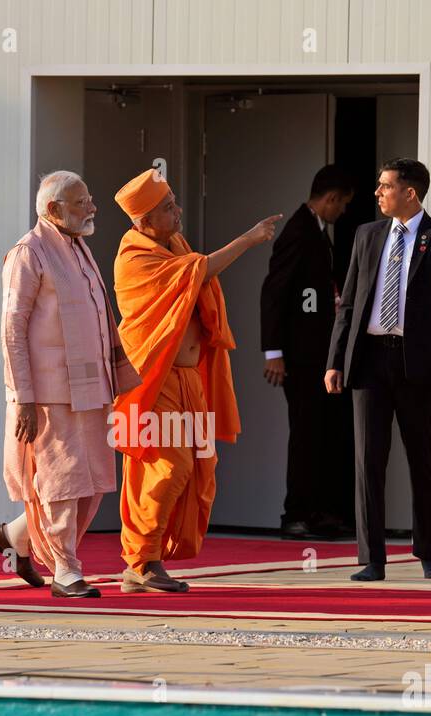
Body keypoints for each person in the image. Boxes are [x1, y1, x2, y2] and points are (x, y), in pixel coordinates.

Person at [111, 167, 280, 593]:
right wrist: (248, 239)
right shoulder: (133, 258)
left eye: (174, 202)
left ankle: (147, 560)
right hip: (153, 380)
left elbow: (193, 273)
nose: (178, 211)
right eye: (168, 208)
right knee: (168, 466)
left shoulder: (175, 244)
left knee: (198, 467)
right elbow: (197, 273)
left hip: (190, 381)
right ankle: (142, 560)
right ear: (144, 221)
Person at [0, 171, 140, 598]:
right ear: (53, 209)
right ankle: (65, 570)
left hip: (93, 387)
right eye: (81, 202)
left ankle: (15, 538)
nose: (92, 208)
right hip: (49, 394)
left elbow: (102, 317)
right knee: (60, 481)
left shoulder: (79, 248)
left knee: (91, 482)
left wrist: (119, 373)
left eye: (89, 199)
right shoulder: (28, 253)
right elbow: (11, 330)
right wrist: (23, 398)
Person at [326, 158, 431, 581]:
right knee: (367, 459)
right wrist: (336, 361)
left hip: (420, 366)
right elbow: (349, 304)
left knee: (422, 457)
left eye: (385, 186)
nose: (378, 193)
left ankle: (428, 553)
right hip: (369, 361)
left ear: (410, 192)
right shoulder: (366, 235)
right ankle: (371, 559)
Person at [260, 164, 356, 539]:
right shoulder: (299, 233)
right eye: (342, 204)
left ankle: (316, 510)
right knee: (304, 433)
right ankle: (295, 513)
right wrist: (274, 351)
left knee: (320, 432)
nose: (342, 213)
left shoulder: (317, 233)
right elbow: (274, 292)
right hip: (300, 356)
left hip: (317, 354)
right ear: (330, 199)